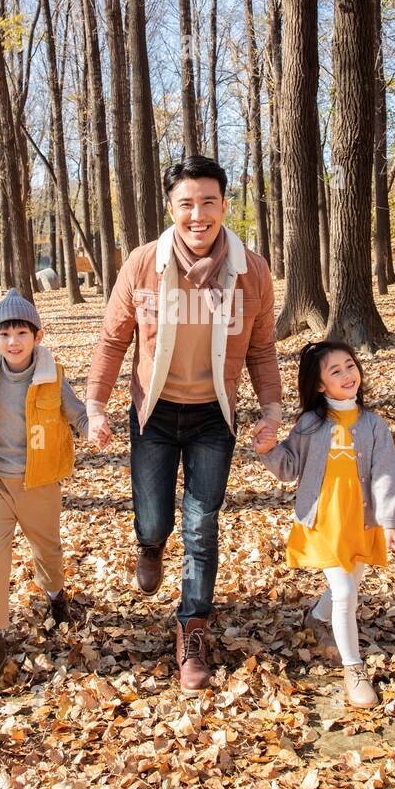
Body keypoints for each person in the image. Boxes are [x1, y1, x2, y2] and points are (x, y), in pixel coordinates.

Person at [86, 156, 282, 694]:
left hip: (214, 417)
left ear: (224, 203)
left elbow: (262, 348)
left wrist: (270, 410)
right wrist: (96, 407)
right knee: (153, 519)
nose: (198, 215)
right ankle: (149, 544)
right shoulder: (143, 264)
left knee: (202, 525)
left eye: (208, 202)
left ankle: (192, 627)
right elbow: (112, 339)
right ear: (171, 207)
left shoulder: (252, 270)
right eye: (186, 204)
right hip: (153, 412)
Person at [254, 341, 395, 708]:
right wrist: (267, 450)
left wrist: (390, 520)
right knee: (345, 592)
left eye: (349, 366)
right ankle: (354, 670)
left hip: (362, 520)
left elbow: (386, 474)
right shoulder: (310, 424)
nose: (346, 375)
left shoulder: (373, 425)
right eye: (334, 371)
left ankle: (316, 617)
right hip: (324, 521)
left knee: (354, 580)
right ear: (320, 385)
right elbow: (289, 469)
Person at [0, 288, 88, 694]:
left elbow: (75, 409)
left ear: (38, 336)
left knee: (46, 549)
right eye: (5, 334)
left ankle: (56, 596)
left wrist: (91, 426)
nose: (13, 342)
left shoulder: (51, 375)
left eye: (21, 334)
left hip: (39, 481)